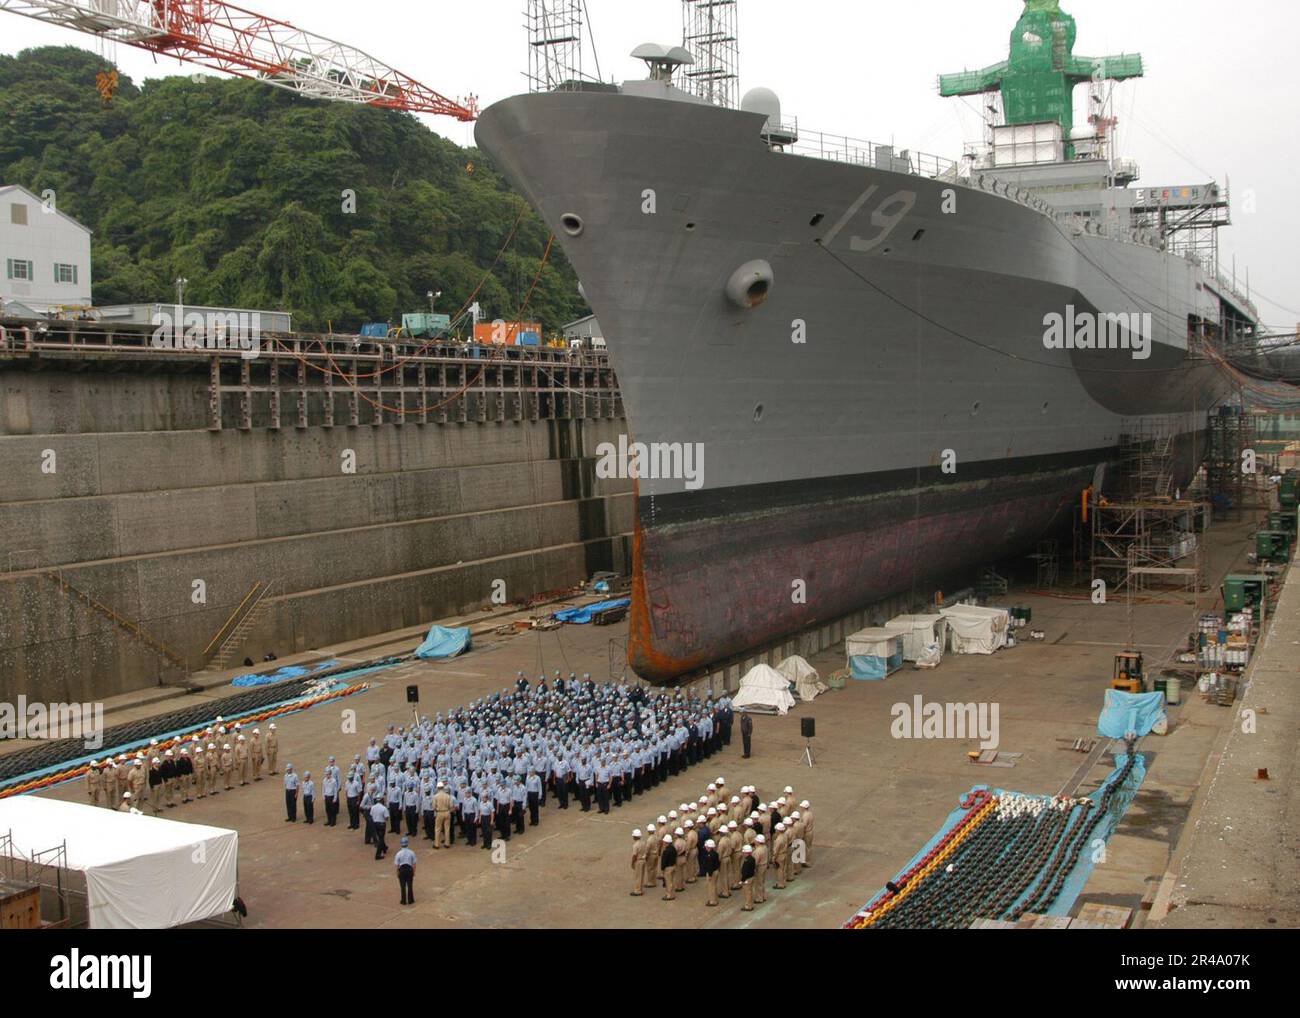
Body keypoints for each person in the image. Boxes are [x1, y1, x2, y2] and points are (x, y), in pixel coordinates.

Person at [394, 837, 417, 905]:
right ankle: (410, 900)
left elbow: (397, 864)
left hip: (402, 870)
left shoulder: (398, 853)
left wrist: (397, 872)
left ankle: (403, 900)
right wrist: (414, 871)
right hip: (409, 869)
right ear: (407, 844)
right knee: (410, 885)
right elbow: (414, 863)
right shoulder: (411, 852)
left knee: (402, 886)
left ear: (401, 844)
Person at [701, 839, 720, 906]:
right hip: (716, 870)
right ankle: (715, 899)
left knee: (711, 887)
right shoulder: (715, 853)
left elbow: (710, 866)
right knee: (714, 886)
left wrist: (710, 875)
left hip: (712, 872)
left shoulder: (710, 856)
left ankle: (713, 901)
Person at [659, 835, 678, 901]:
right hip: (673, 866)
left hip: (668, 868)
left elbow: (664, 861)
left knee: (668, 882)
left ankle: (669, 895)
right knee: (672, 881)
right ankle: (672, 893)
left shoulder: (666, 851)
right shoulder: (673, 848)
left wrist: (662, 869)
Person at [630, 829, 647, 896]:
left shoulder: (635, 845)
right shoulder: (643, 842)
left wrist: (632, 863)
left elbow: (634, 855)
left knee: (638, 876)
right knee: (641, 875)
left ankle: (638, 890)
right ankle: (640, 888)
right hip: (643, 860)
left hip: (638, 861)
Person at [740, 844, 757, 911]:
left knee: (747, 892)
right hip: (751, 877)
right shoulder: (752, 858)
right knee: (749, 891)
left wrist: (742, 880)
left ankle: (748, 906)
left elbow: (745, 871)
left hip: (747, 878)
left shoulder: (747, 860)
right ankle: (750, 904)